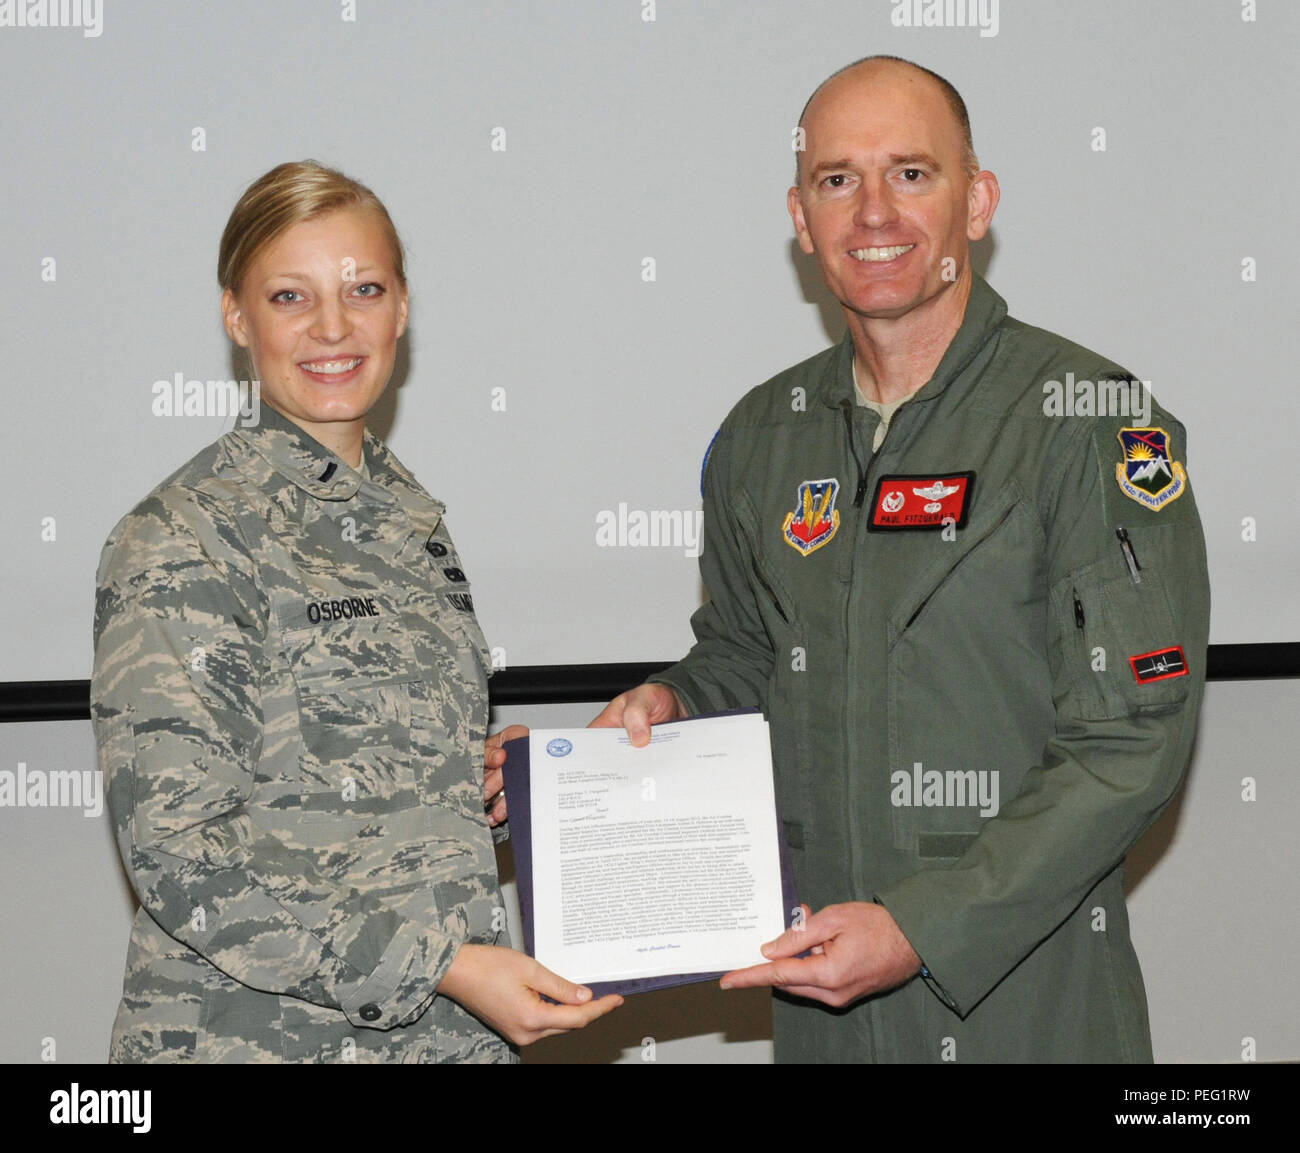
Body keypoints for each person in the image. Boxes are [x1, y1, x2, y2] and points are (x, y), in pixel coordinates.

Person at [590, 56, 1211, 1062]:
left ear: (978, 201)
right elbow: (747, 657)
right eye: (838, 180)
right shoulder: (762, 435)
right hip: (823, 1004)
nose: (873, 211)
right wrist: (673, 703)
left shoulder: (1088, 421)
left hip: (1024, 1004)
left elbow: (1129, 746)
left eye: (911, 173)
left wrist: (923, 926)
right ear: (801, 217)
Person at [91, 160, 620, 1062]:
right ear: (236, 317)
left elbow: (343, 784)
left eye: (363, 289)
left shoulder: (408, 515)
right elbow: (183, 857)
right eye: (291, 296)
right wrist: (443, 966)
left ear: (403, 309)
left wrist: (487, 789)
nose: (333, 327)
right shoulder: (184, 534)